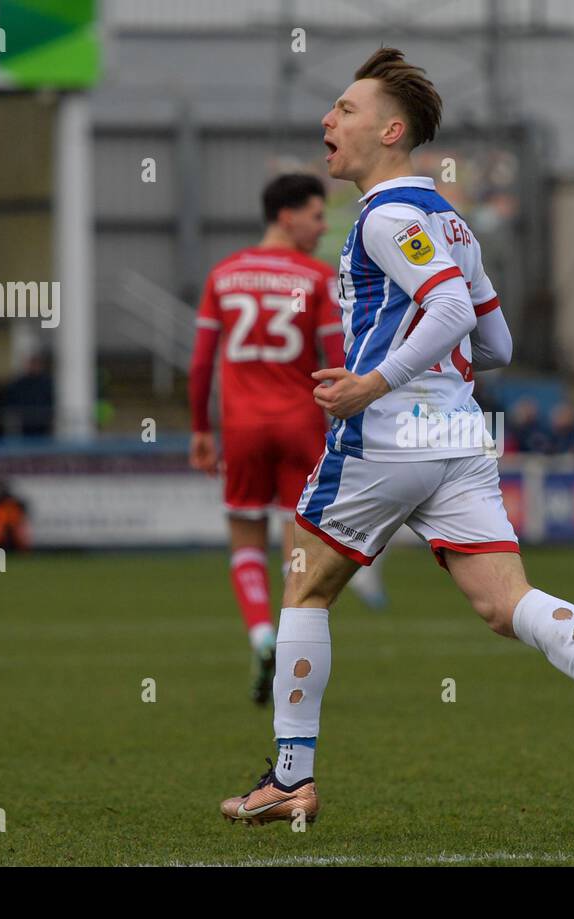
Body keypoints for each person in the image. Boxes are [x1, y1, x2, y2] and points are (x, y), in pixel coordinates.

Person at [220, 48, 574, 827]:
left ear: (392, 131)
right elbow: (492, 343)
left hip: (387, 435)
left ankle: (291, 779)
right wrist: (428, 370)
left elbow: (454, 316)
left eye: (346, 110)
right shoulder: (451, 223)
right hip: (459, 436)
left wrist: (373, 383)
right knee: (505, 603)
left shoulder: (388, 217)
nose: (328, 121)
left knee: (305, 583)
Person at [188, 173, 388, 709]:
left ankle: (260, 636)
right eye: (316, 216)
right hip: (301, 425)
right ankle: (290, 644)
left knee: (243, 534)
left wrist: (201, 430)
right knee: (297, 543)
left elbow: (202, 360)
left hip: (244, 428)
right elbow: (334, 362)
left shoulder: (225, 274)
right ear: (285, 216)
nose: (323, 227)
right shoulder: (318, 279)